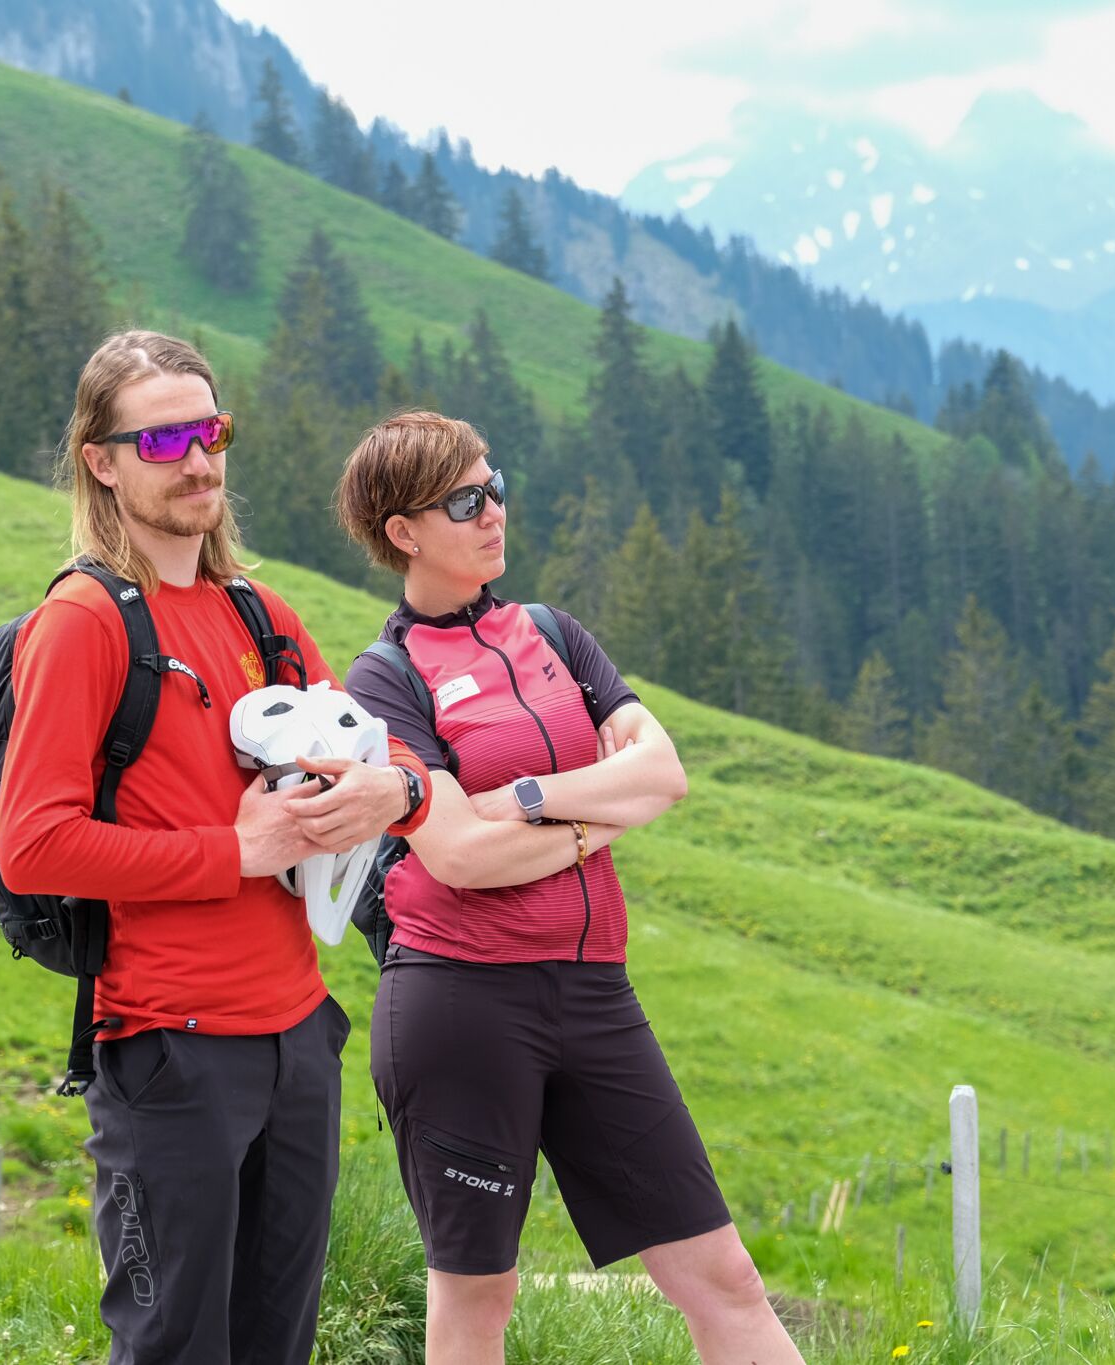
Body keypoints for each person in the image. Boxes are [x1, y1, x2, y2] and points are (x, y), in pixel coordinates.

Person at [0, 330, 434, 1365]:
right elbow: (32, 845)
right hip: (169, 1051)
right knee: (175, 1348)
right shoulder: (82, 621)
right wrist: (230, 853)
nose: (196, 461)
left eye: (210, 432)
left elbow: (377, 748)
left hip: (296, 1042)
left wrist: (397, 790)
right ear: (101, 462)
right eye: (161, 441)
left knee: (276, 1347)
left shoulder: (258, 613)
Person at [334, 412, 803, 1365]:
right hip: (460, 999)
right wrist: (603, 814)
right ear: (403, 531)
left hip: (595, 990)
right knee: (479, 1296)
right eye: (464, 500)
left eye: (495, 485)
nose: (493, 511)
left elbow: (664, 773)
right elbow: (459, 856)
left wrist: (535, 799)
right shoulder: (385, 681)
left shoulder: (552, 633)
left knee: (723, 1276)